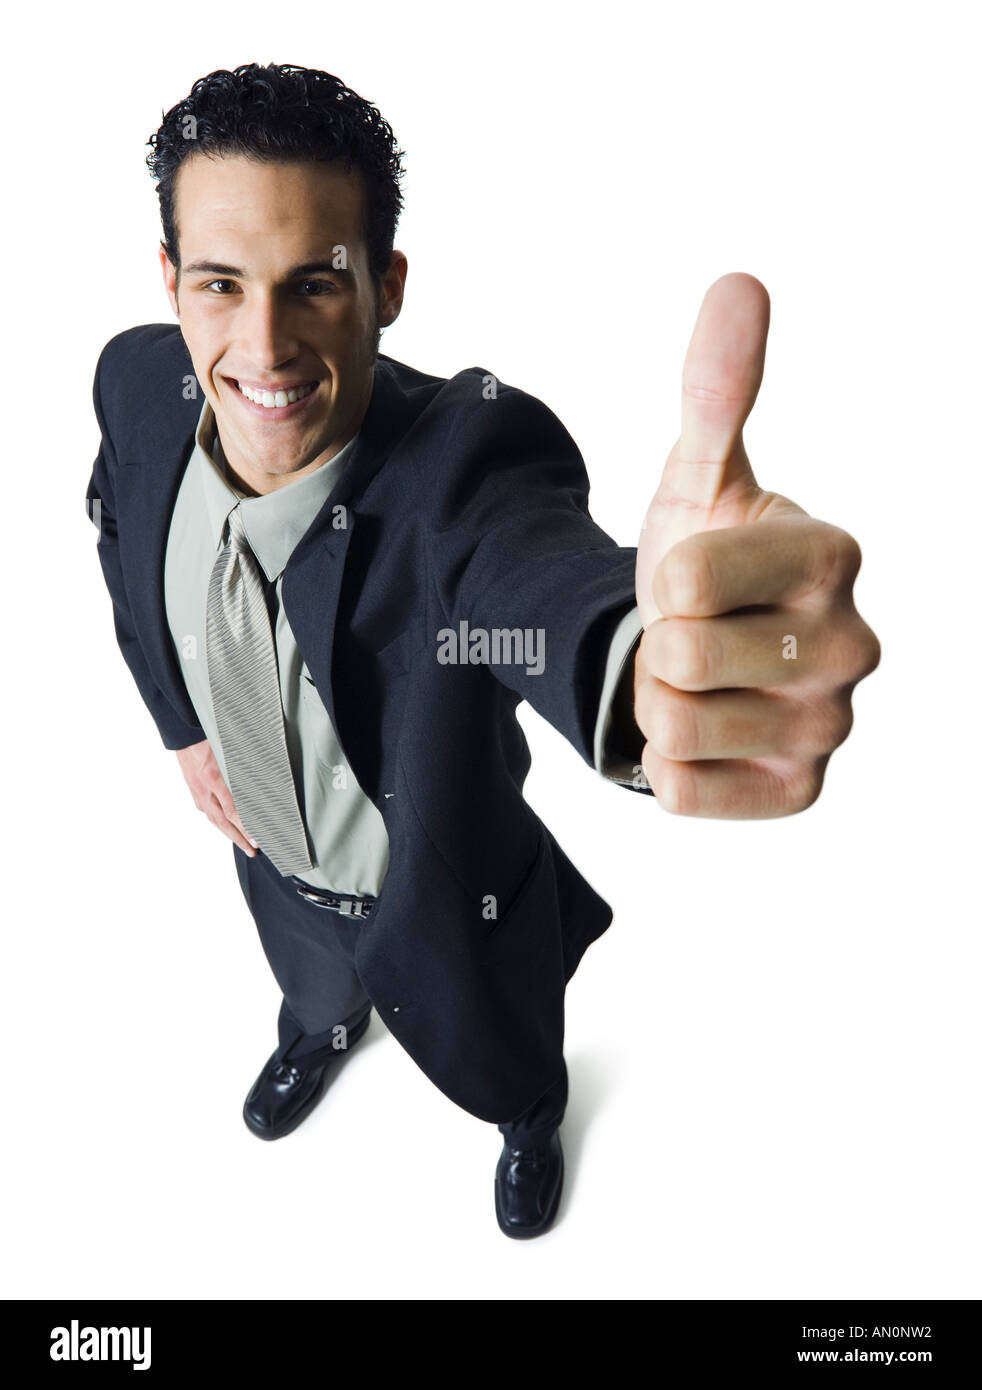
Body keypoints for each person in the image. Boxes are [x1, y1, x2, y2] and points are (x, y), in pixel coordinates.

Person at [85, 63, 880, 1239]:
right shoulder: (136, 388)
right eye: (220, 284)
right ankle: (317, 1028)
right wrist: (187, 730)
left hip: (439, 887)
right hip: (264, 842)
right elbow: (116, 536)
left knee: (501, 1040)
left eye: (316, 281)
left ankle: (528, 1113)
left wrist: (640, 655)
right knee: (307, 978)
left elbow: (521, 585)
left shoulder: (461, 471)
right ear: (171, 284)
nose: (263, 343)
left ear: (386, 285)